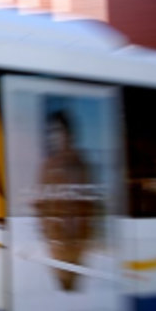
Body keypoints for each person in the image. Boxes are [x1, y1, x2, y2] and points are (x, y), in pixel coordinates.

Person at [35, 109, 101, 292]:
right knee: (61, 290)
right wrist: (48, 235)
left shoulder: (82, 164)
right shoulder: (47, 166)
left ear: (69, 133)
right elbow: (40, 205)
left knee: (77, 290)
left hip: (79, 244)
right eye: (51, 132)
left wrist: (86, 239)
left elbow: (93, 205)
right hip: (56, 244)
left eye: (58, 131)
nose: (55, 137)